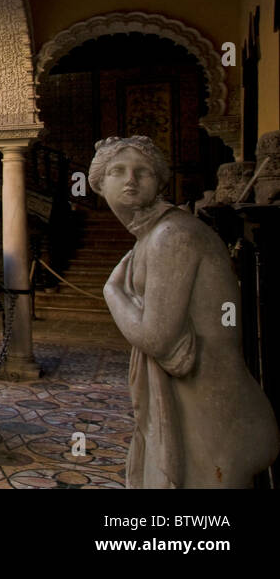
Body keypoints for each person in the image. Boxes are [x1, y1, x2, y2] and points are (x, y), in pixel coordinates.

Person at [91, 136, 279, 488]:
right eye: (118, 171)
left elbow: (157, 339)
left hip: (214, 418)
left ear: (160, 182)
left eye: (142, 171)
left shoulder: (171, 235)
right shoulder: (152, 237)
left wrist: (111, 291)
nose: (130, 179)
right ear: (99, 184)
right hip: (199, 410)